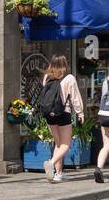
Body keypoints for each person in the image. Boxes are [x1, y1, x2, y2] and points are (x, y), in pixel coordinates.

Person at [35, 55, 83, 183]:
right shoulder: (69, 78)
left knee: (58, 143)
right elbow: (75, 97)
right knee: (66, 144)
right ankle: (51, 163)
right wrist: (80, 112)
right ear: (65, 64)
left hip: (49, 114)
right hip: (63, 112)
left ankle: (58, 173)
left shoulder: (47, 77)